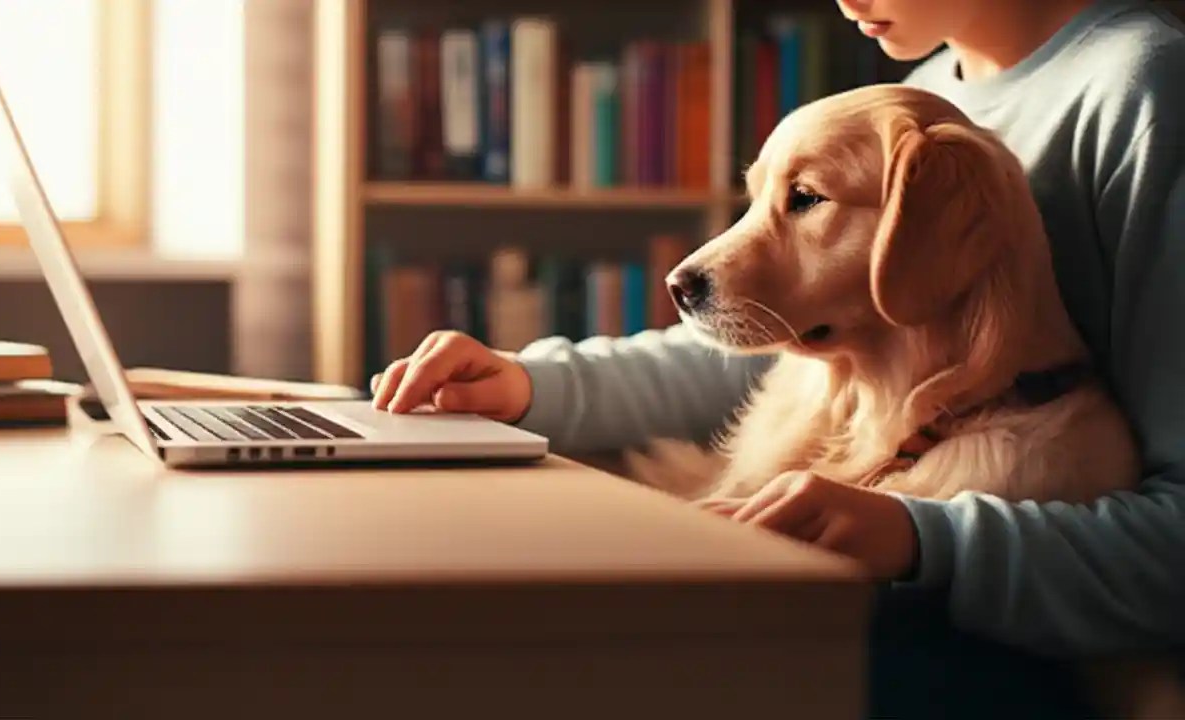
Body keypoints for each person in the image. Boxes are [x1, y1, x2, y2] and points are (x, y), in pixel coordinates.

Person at [372, 0, 1185, 714]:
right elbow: (776, 353)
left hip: (992, 637)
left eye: (801, 201)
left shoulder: (1143, 90)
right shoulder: (931, 80)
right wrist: (529, 386)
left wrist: (925, 543)